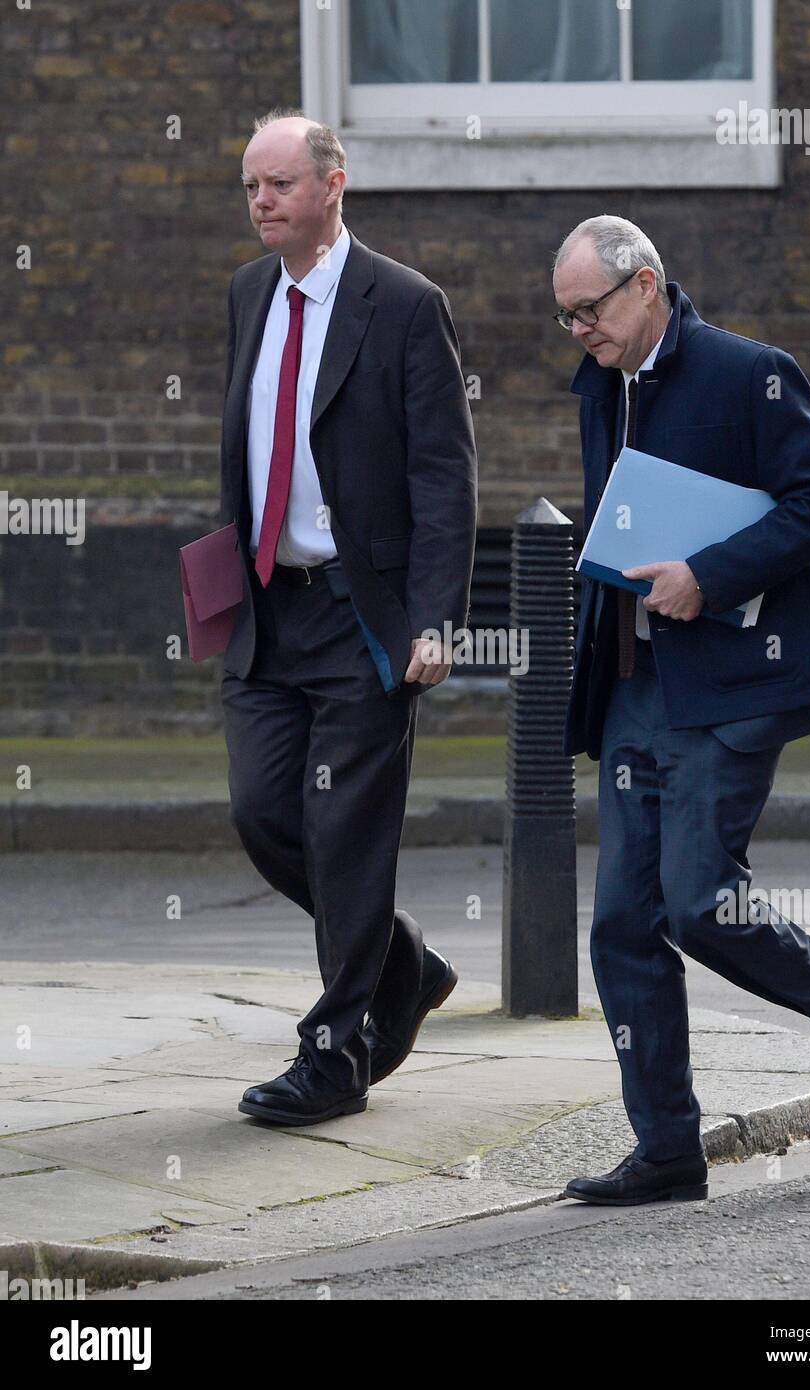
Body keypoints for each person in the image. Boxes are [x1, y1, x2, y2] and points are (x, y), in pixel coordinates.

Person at [552, 215, 810, 1205]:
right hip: (634, 685)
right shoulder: (601, 385)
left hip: (731, 683)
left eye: (592, 308)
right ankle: (667, 1148)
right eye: (567, 315)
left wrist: (706, 577)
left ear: (648, 285)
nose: (579, 328)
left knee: (700, 900)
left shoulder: (751, 372)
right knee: (623, 924)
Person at [218, 109, 477, 1126]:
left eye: (280, 183)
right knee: (263, 810)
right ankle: (403, 961)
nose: (262, 200)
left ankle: (334, 1052)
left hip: (363, 615)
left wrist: (436, 617)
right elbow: (243, 443)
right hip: (269, 610)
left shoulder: (404, 304)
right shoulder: (247, 294)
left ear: (334, 185)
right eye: (250, 185)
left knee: (349, 830)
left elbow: (444, 474)